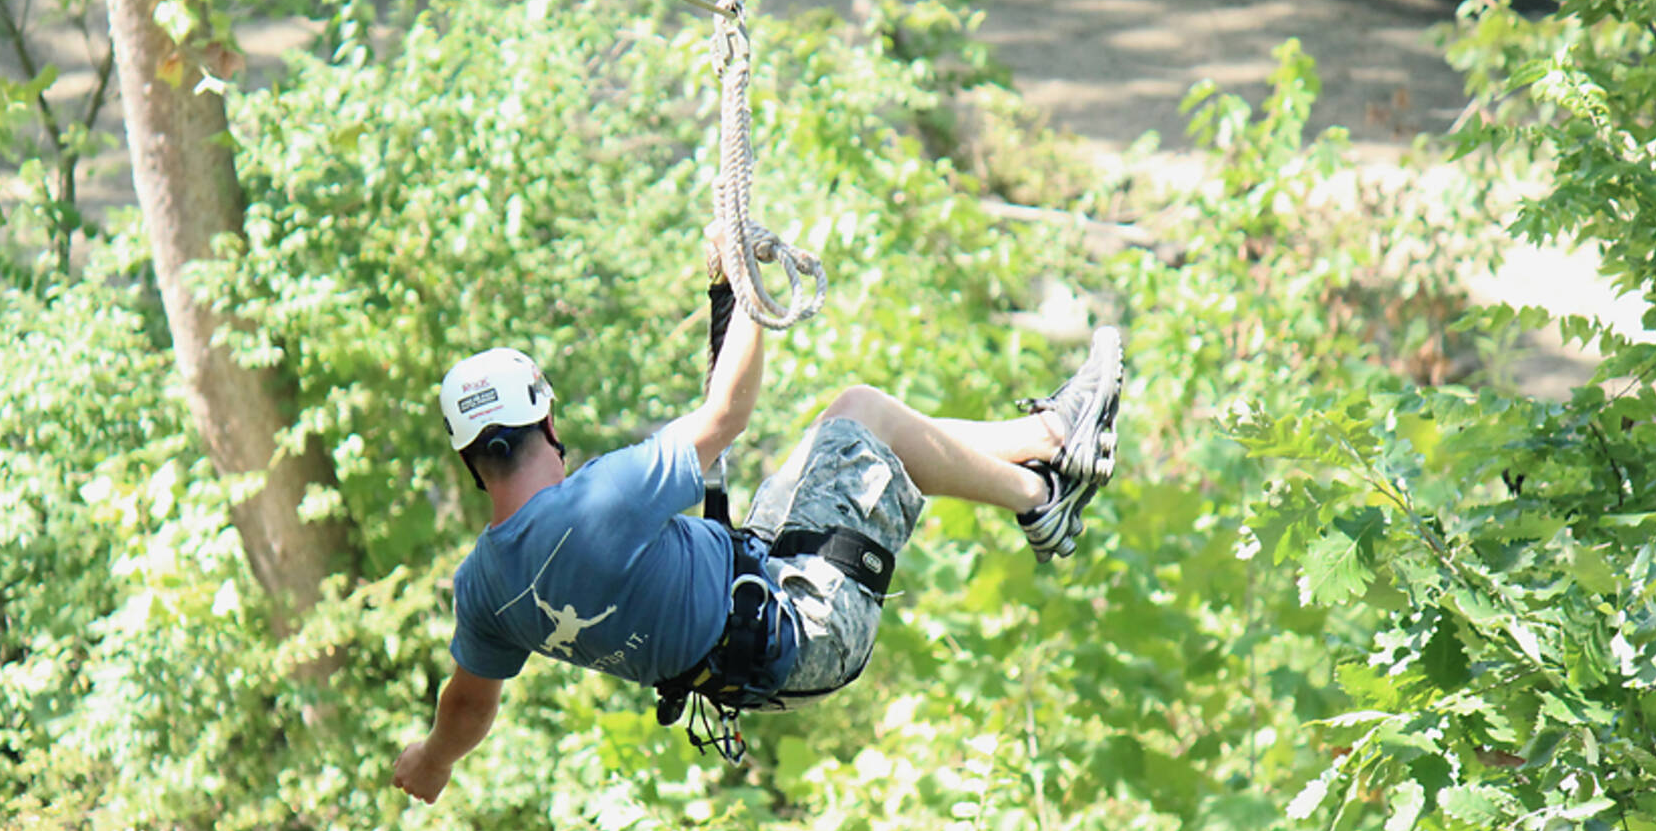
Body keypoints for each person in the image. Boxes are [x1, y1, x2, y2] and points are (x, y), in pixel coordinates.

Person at [392, 241, 1122, 801]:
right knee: (863, 412)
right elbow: (726, 415)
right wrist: (743, 279)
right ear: (547, 421)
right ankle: (1042, 487)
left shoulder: (482, 587)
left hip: (760, 609)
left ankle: (1045, 453)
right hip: (807, 622)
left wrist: (433, 761)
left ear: (470, 459)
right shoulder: (596, 500)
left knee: (845, 433)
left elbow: (468, 704)